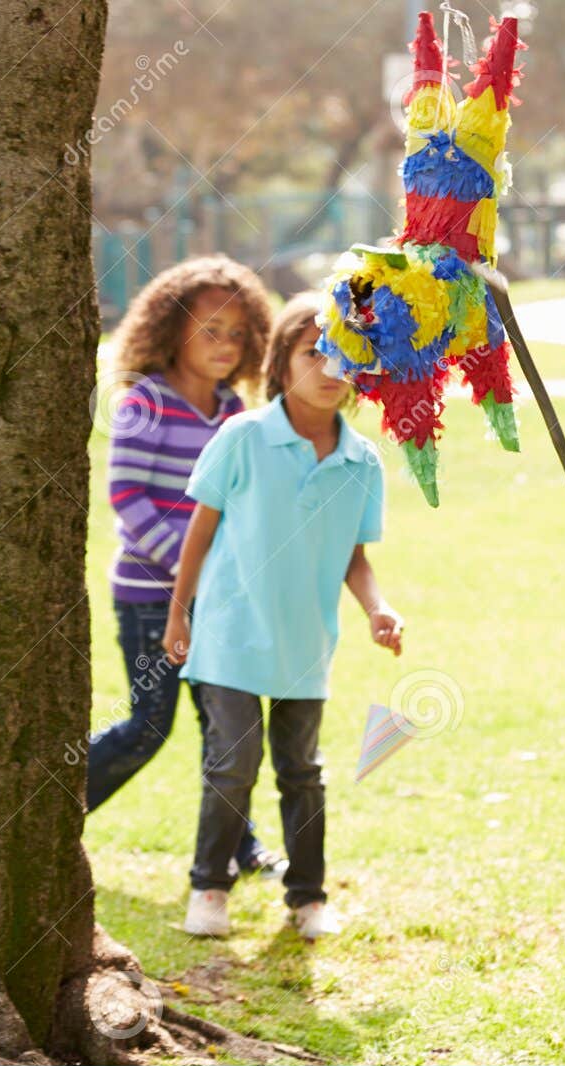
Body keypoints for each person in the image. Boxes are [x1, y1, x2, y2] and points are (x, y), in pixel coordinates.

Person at [164, 293, 402, 940]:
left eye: (348, 356)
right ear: (281, 361)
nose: (330, 368)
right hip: (231, 634)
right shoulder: (242, 436)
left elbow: (355, 557)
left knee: (302, 771)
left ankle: (308, 896)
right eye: (314, 352)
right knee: (232, 763)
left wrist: (378, 609)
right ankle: (209, 886)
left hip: (306, 642)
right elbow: (199, 532)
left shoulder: (362, 461)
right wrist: (178, 614)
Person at [87, 255, 283, 878]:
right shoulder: (145, 402)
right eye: (209, 331)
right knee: (149, 725)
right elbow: (127, 498)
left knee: (227, 726)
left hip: (220, 601)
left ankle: (237, 845)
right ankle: (51, 813)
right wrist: (189, 566)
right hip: (151, 597)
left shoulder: (232, 412)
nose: (224, 346)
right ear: (172, 331)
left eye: (237, 334)